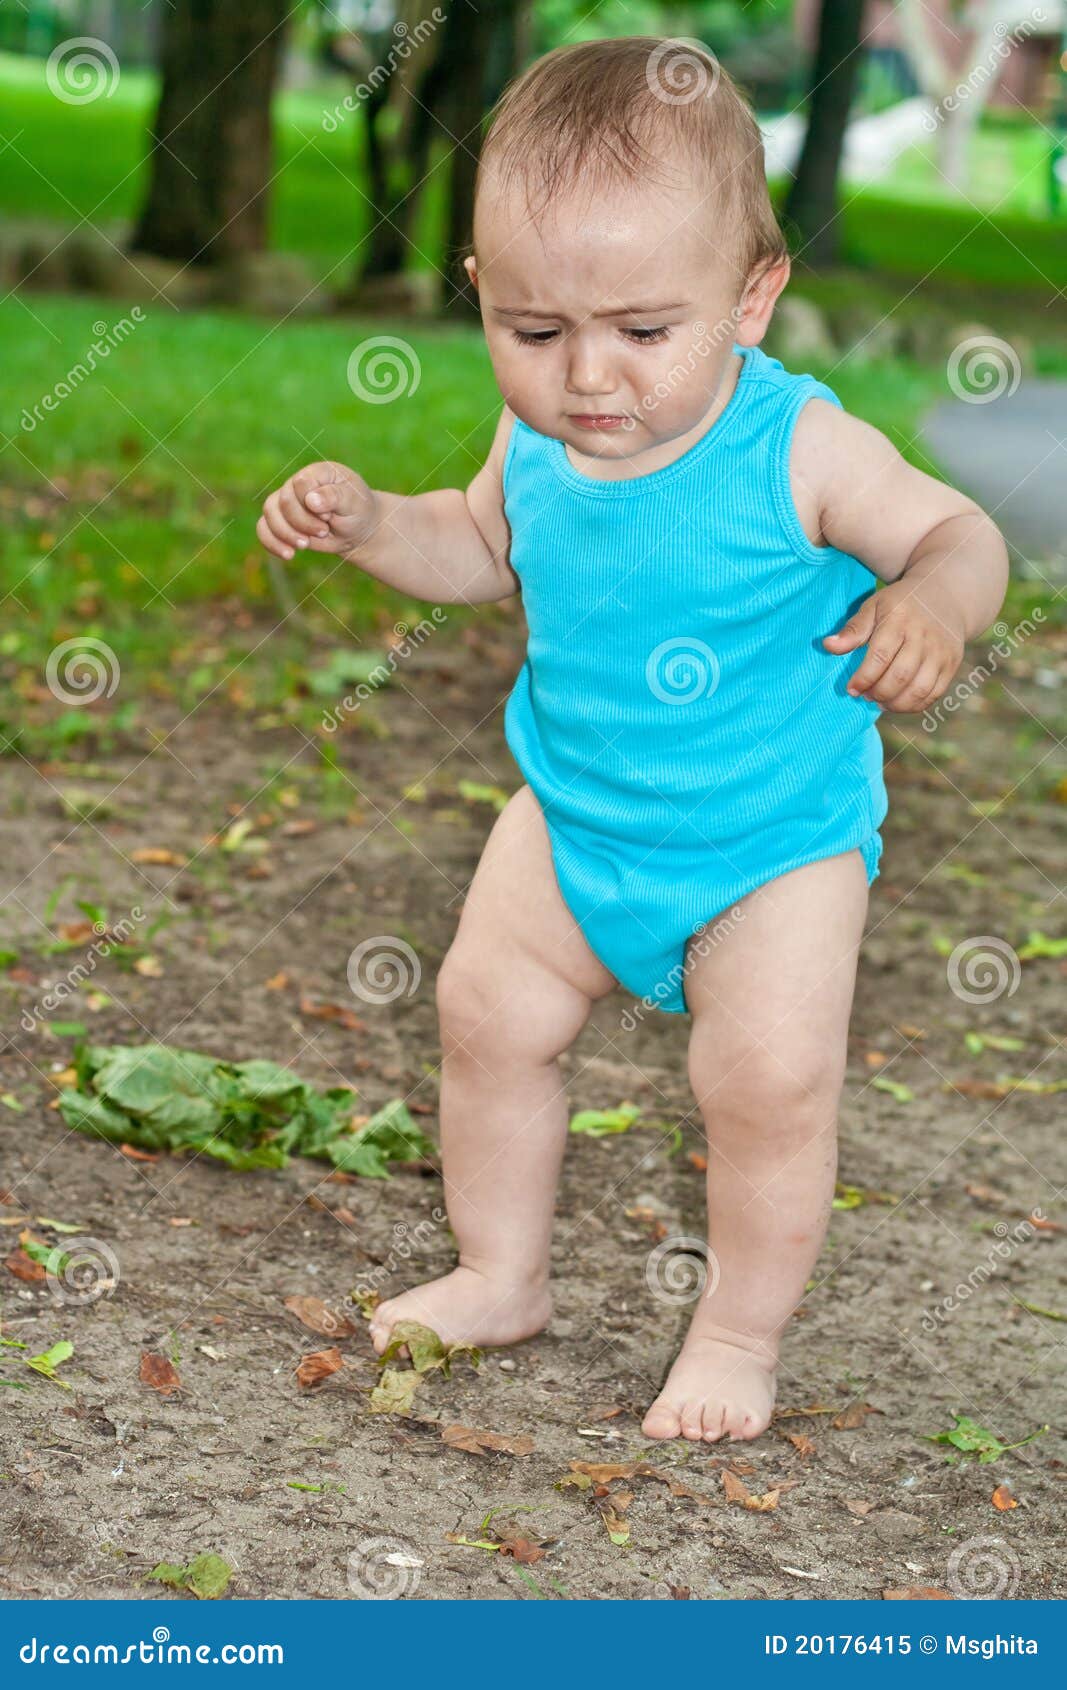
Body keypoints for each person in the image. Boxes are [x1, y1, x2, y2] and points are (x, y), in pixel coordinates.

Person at [257, 37, 1009, 1443]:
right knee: (486, 1016)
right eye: (535, 333)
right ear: (484, 294)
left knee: (765, 1082)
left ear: (753, 296)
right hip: (575, 817)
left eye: (643, 333)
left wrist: (935, 604)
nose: (588, 376)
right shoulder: (536, 440)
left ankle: (735, 1333)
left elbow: (960, 534)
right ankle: (501, 1270)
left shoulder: (801, 450)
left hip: (770, 847)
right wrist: (371, 523)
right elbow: (479, 544)